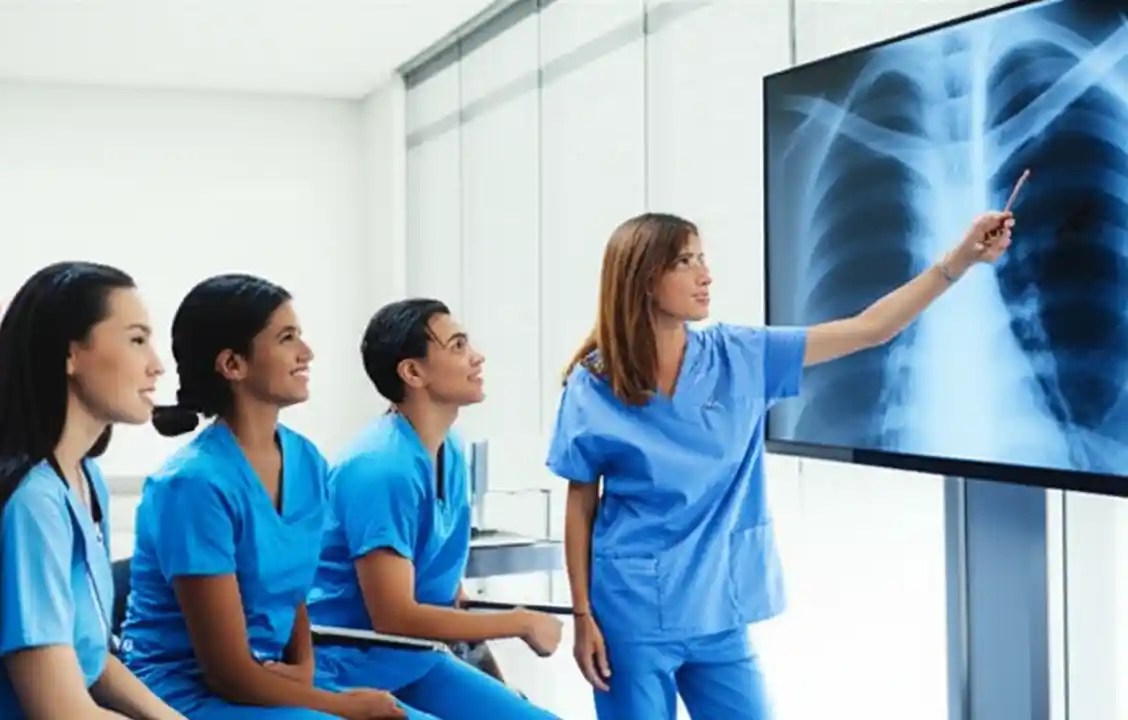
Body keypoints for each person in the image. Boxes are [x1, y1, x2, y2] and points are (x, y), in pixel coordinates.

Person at [548, 210, 1015, 718]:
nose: (706, 275)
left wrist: (960, 260)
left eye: (703, 259)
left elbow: (870, 329)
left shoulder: (741, 356)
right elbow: (580, 505)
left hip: (719, 609)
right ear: (643, 279)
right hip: (630, 612)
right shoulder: (593, 384)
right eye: (685, 262)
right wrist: (582, 615)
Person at [121, 274, 406, 720]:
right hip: (187, 693)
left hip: (269, 678)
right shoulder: (192, 485)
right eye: (287, 338)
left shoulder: (306, 460)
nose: (306, 352)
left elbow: (291, 589)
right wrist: (341, 706)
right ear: (233, 364)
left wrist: (304, 669)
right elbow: (228, 675)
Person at [0, 261, 184, 719]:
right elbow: (61, 710)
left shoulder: (84, 479)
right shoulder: (30, 502)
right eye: (137, 340)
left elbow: (89, 657)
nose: (156, 365)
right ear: (70, 354)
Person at [309, 298, 563, 720]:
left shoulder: (450, 449)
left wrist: (498, 681)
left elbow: (444, 585)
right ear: (413, 372)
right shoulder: (380, 468)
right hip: (345, 668)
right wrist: (519, 622)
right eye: (458, 345)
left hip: (413, 659)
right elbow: (395, 617)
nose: (477, 357)